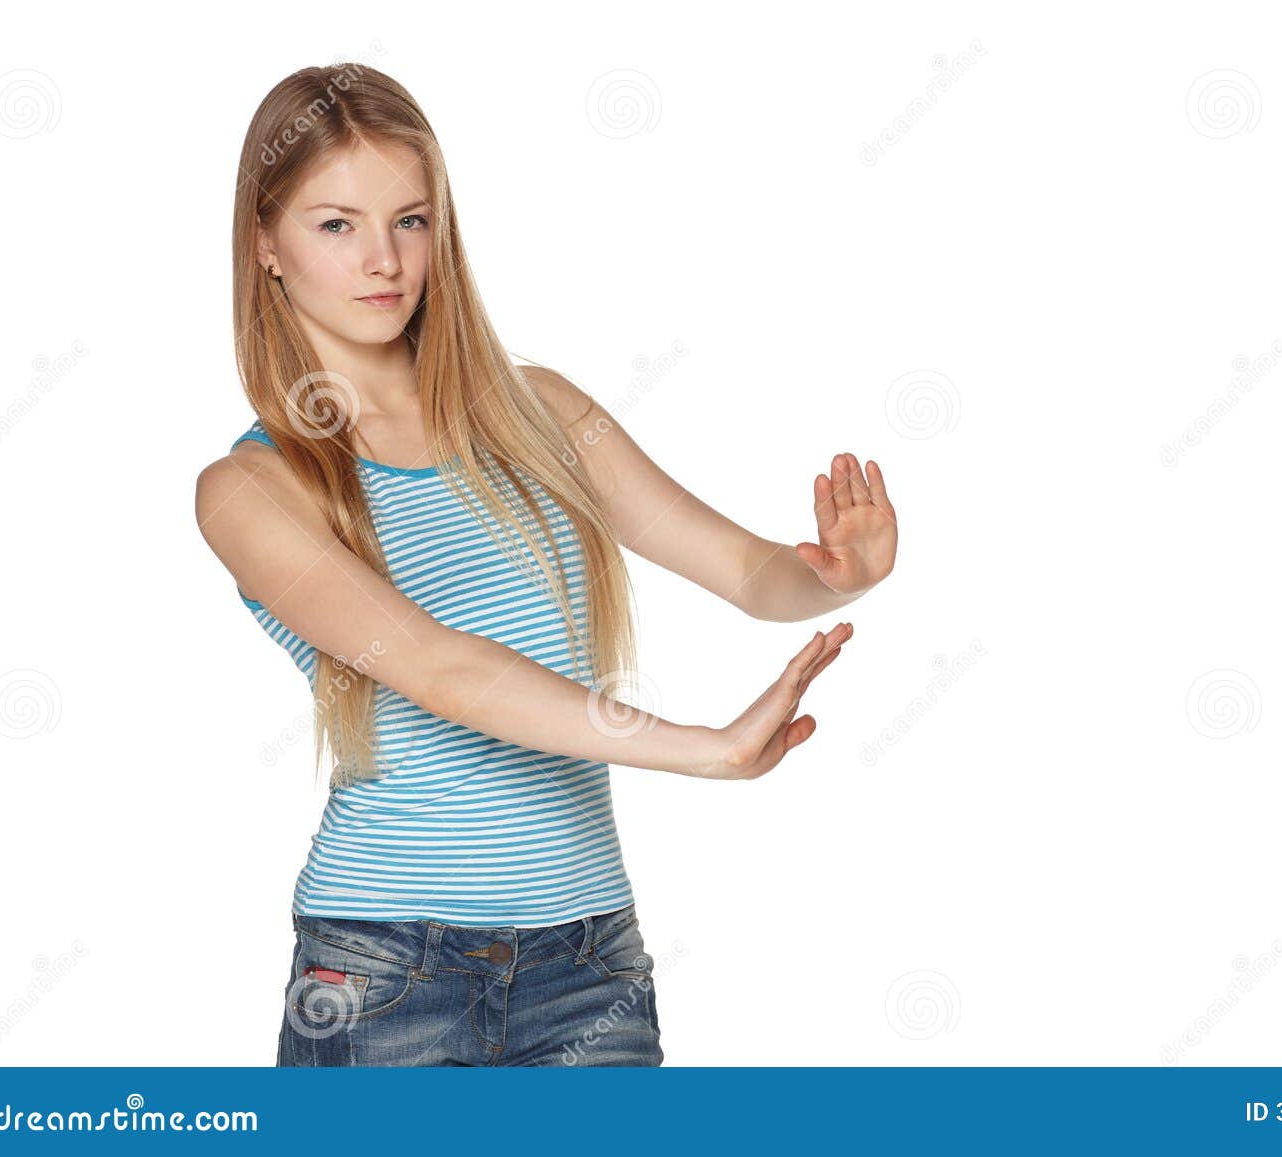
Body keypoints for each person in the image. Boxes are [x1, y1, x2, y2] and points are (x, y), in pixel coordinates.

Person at [192, 64, 898, 1067]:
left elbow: (748, 571)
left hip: (590, 959)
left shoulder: (543, 414)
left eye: (411, 219)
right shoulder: (251, 490)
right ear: (266, 242)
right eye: (336, 224)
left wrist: (835, 574)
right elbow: (443, 669)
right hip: (387, 970)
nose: (384, 259)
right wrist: (703, 747)